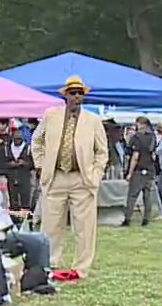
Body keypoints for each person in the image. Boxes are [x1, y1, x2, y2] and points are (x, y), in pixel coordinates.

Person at [30, 76, 108, 279]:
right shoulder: (51, 116)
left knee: (84, 227)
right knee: (50, 225)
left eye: (80, 93)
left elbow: (102, 152)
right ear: (65, 95)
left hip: (82, 178)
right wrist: (40, 166)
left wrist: (95, 174)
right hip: (55, 176)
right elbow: (36, 141)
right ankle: (50, 264)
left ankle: (81, 268)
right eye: (72, 93)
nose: (76, 97)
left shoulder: (93, 120)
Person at [121, 116, 160, 227]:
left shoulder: (136, 138)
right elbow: (153, 154)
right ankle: (146, 219)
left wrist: (129, 172)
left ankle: (127, 219)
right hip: (149, 169)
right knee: (147, 195)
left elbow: (135, 156)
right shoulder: (153, 137)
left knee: (132, 196)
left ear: (141, 124)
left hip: (138, 169)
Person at [0, 121, 37, 212]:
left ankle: (25, 219)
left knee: (25, 200)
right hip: (11, 177)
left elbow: (34, 164)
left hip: (24, 177)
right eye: (16, 139)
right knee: (13, 201)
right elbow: (1, 163)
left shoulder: (28, 148)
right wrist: (10, 164)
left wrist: (24, 163)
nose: (17, 141)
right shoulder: (7, 148)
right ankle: (14, 219)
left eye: (19, 139)